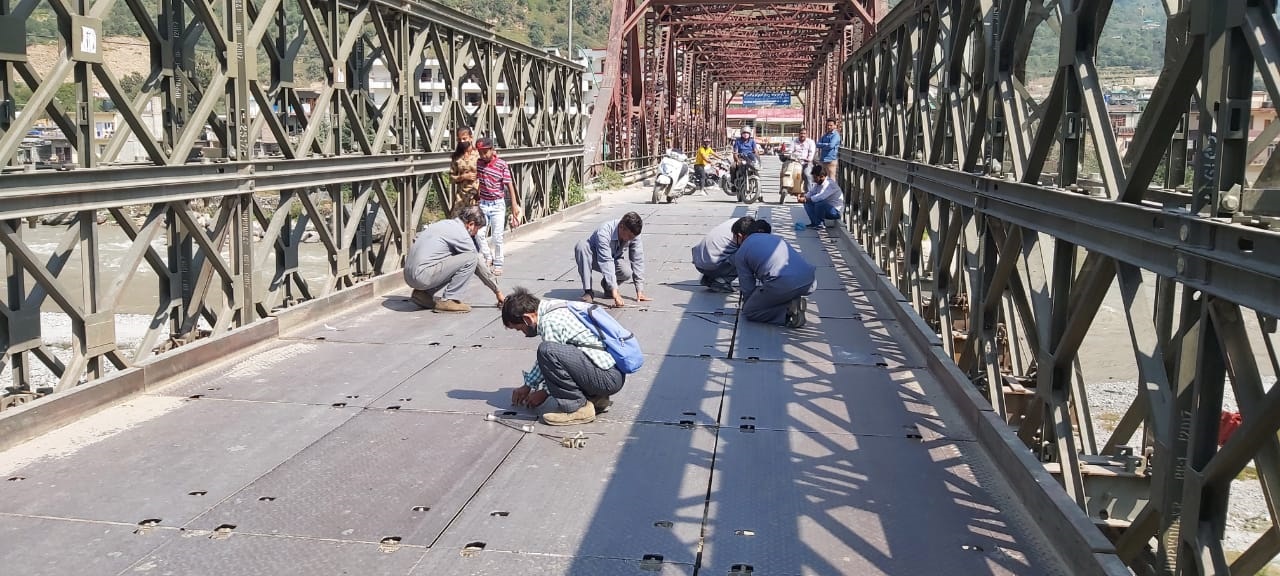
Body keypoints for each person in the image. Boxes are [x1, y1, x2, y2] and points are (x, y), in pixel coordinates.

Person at [503, 288, 628, 426]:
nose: (524, 334)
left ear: (527, 318)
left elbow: (550, 357)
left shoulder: (549, 321)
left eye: (520, 328)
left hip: (606, 379)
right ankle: (596, 399)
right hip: (611, 374)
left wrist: (544, 392)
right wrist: (528, 385)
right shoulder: (556, 306)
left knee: (546, 350)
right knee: (552, 352)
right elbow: (554, 359)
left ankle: (577, 408)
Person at [403, 206, 503, 313]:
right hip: (422, 276)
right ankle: (449, 299)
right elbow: (477, 262)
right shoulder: (462, 235)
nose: (476, 234)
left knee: (452, 256)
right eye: (477, 230)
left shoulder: (444, 224)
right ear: (471, 224)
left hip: (408, 274)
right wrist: (497, 291)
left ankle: (422, 294)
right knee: (471, 258)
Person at [734, 220, 815, 328]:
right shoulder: (776, 238)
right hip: (809, 281)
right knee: (776, 290)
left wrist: (751, 304)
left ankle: (787, 311)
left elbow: (747, 288)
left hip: (784, 284)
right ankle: (792, 299)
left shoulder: (741, 252)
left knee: (750, 312)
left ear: (739, 235)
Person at [575, 212, 650, 308]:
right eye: (630, 237)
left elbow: (637, 258)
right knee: (581, 246)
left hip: (613, 259)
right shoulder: (604, 232)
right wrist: (616, 292)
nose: (631, 239)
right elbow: (605, 261)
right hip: (594, 257)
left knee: (626, 272)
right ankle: (588, 292)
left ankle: (607, 287)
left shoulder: (634, 233)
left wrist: (639, 289)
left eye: (633, 237)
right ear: (622, 227)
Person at [475, 137, 522, 276]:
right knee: (479, 233)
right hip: (483, 203)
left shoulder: (502, 165)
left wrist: (514, 205)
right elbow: (479, 180)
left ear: (492, 150)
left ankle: (498, 262)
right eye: (480, 152)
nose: (483, 155)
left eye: (485, 152)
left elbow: (509, 185)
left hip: (497, 205)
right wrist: (478, 196)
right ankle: (488, 256)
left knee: (497, 236)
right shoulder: (479, 163)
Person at [692, 216, 754, 293]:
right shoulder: (741, 235)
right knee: (746, 256)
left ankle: (710, 278)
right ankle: (721, 282)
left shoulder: (735, 221)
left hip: (699, 261)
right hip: (710, 265)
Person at [800, 163, 843, 229]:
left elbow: (821, 197)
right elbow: (811, 192)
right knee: (807, 203)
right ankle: (815, 223)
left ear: (822, 176)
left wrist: (808, 199)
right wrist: (804, 197)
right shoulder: (819, 183)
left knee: (820, 203)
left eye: (815, 177)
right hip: (825, 210)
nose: (814, 180)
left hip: (835, 211)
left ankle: (820, 224)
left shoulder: (830, 184)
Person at [449, 127, 479, 216]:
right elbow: (451, 178)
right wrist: (462, 177)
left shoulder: (478, 155)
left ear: (471, 138)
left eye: (464, 139)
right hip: (461, 197)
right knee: (456, 222)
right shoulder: (457, 157)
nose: (462, 141)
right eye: (459, 139)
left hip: (476, 195)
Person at [790, 128, 817, 195]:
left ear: (806, 135)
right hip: (795, 162)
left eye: (804, 134)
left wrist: (809, 159)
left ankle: (809, 194)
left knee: (807, 175)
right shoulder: (794, 141)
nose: (803, 135)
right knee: (788, 172)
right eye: (801, 133)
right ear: (799, 134)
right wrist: (788, 154)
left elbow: (811, 152)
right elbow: (790, 150)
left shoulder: (810, 142)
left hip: (806, 163)